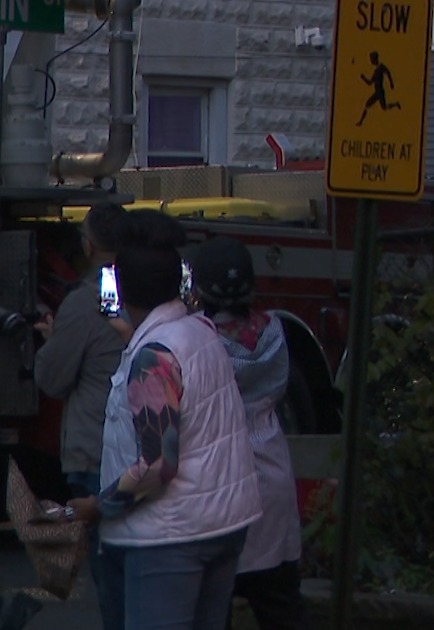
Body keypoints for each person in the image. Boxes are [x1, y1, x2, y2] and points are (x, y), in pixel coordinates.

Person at [70, 209, 261, 630]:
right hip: (223, 521)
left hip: (170, 535)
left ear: (122, 288)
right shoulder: (199, 332)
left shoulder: (153, 359)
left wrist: (97, 507)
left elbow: (158, 464)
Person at [188, 236, 310, 630]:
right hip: (271, 474)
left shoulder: (194, 338)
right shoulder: (274, 330)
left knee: (213, 610)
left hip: (219, 482)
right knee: (281, 606)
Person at [32, 201, 130, 630]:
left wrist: (56, 340)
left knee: (113, 577)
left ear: (88, 247)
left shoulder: (90, 300)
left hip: (97, 454)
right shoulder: (150, 291)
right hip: (144, 451)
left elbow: (53, 378)